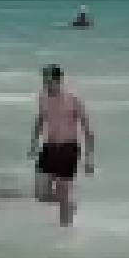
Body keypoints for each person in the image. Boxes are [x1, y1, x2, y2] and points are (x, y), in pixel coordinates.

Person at [28, 65, 96, 228]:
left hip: (68, 149)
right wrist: (33, 143)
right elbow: (39, 121)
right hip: (49, 148)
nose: (46, 84)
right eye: (44, 80)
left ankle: (65, 233)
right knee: (41, 193)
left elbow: (87, 130)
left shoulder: (73, 99)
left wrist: (89, 157)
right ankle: (69, 204)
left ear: (59, 80)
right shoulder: (42, 98)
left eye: (49, 80)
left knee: (63, 190)